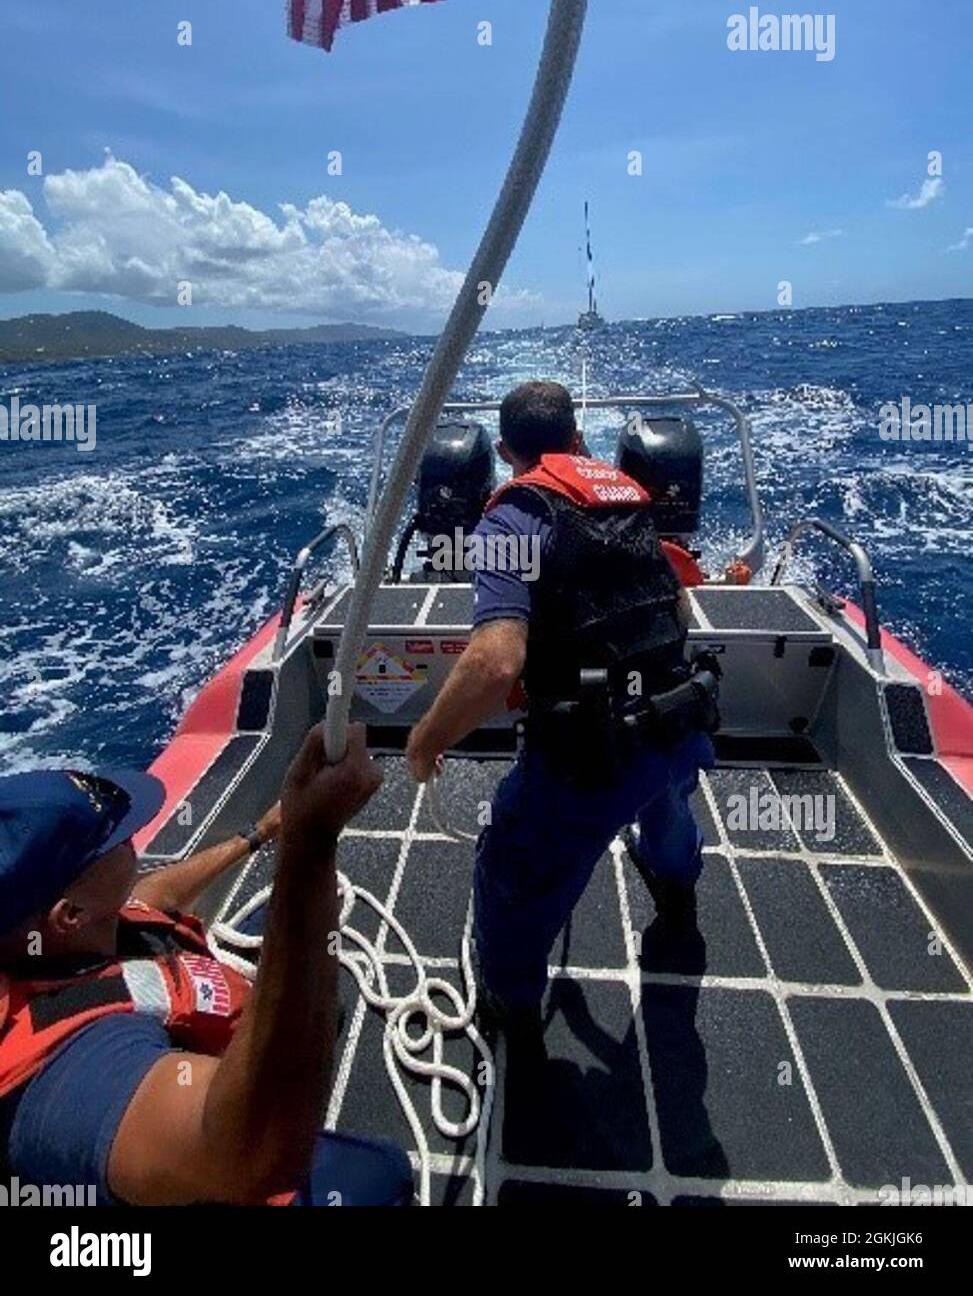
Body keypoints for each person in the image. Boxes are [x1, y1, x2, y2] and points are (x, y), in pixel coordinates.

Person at [406, 381, 716, 1029]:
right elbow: (677, 606)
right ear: (577, 437)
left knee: (508, 876)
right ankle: (677, 896)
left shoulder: (509, 518)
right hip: (678, 720)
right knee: (667, 815)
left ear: (501, 450)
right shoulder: (625, 494)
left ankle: (510, 1005)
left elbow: (496, 662)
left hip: (588, 759)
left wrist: (428, 739)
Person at [0, 726, 414, 1206]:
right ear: (69, 916)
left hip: (192, 1035)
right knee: (382, 1176)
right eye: (114, 839)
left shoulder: (63, 931)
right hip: (226, 1159)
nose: (133, 834)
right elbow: (253, 1158)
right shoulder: (72, 1078)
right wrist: (311, 844)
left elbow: (154, 896)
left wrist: (259, 833)